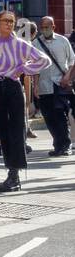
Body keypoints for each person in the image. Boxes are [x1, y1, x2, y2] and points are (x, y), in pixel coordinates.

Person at [0, 9, 49, 192]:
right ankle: (11, 173)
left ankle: (15, 174)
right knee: (3, 131)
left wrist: (24, 68)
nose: (9, 24)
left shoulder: (20, 44)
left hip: (12, 88)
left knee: (17, 130)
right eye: (5, 21)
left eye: (12, 21)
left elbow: (44, 60)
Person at [33, 16, 75, 157]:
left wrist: (68, 75)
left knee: (60, 116)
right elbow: (35, 67)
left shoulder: (63, 41)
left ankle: (65, 144)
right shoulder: (36, 44)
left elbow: (72, 60)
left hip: (60, 84)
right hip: (44, 86)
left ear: (53, 27)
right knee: (49, 117)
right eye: (42, 27)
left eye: (47, 27)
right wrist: (35, 86)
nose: (45, 29)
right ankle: (58, 144)